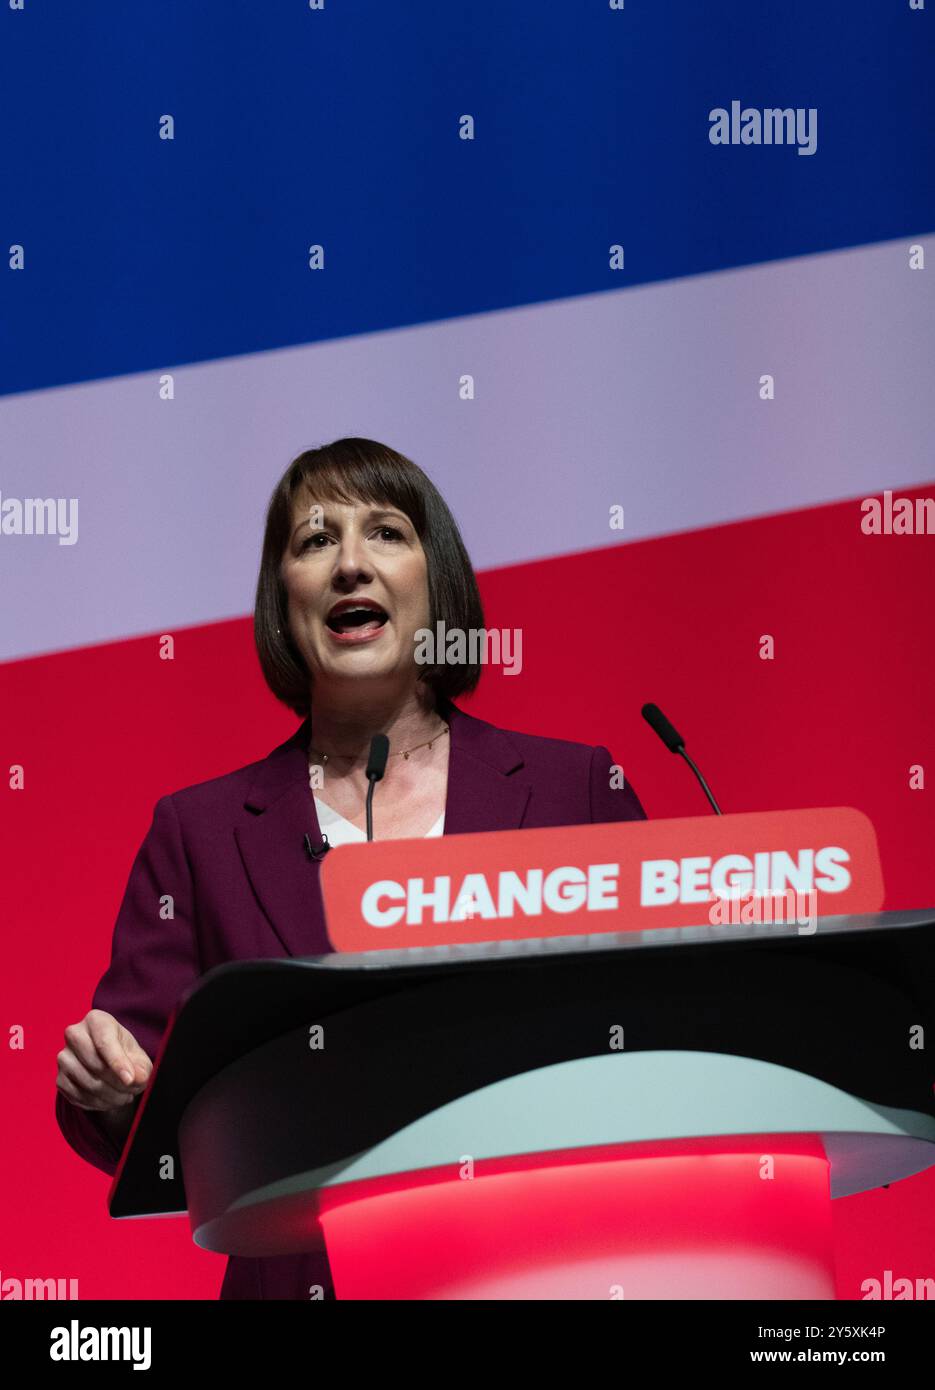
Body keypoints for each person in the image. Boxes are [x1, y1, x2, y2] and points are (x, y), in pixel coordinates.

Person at [55, 436, 647, 1299]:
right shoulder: (200, 831)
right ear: (282, 600)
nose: (350, 565)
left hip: (549, 1269)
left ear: (436, 582)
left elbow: (666, 1030)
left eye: (386, 533)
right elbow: (133, 1097)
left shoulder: (577, 789)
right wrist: (111, 1092)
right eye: (315, 540)